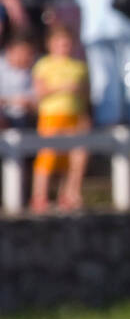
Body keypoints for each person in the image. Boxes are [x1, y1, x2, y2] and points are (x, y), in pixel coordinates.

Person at [30, 22, 90, 212]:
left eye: (67, 43)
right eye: (60, 43)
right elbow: (40, 92)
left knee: (74, 158)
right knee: (48, 156)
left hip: (75, 116)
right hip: (52, 115)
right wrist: (64, 88)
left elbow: (86, 95)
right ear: (51, 44)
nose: (65, 47)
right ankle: (39, 196)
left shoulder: (79, 66)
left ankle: (69, 194)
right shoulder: (44, 64)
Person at [0, 32, 37, 128]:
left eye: (29, 53)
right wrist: (11, 101)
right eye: (21, 52)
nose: (25, 57)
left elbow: (36, 99)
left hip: (28, 118)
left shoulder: (36, 69)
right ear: (10, 51)